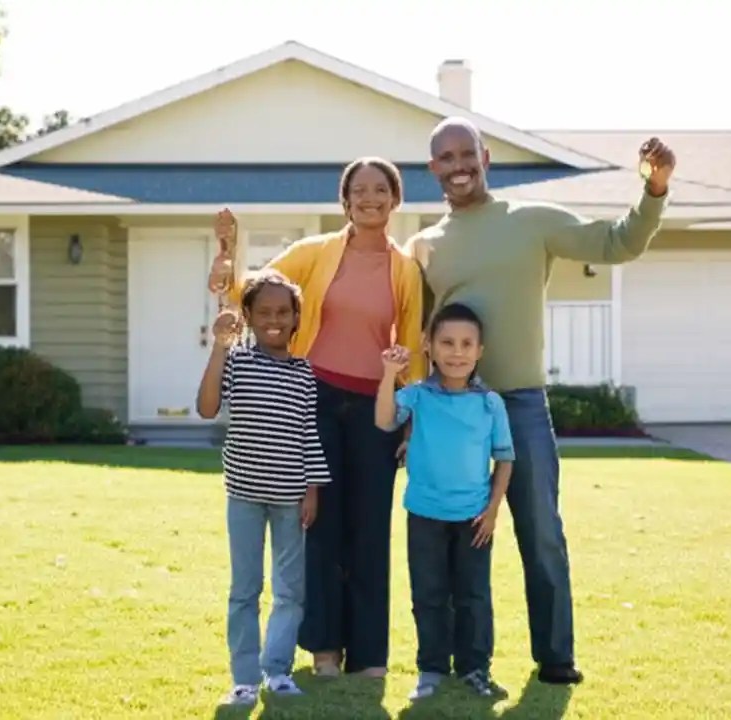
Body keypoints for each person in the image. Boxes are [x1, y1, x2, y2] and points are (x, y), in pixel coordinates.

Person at [404, 117, 677, 685]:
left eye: (467, 154)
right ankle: (451, 665)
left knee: (541, 533)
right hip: (449, 411)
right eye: (446, 158)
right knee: (450, 541)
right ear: (433, 169)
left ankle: (555, 658)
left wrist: (655, 189)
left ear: (485, 158)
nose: (458, 166)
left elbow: (617, 242)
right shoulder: (424, 246)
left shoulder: (531, 221)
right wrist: (411, 419)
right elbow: (416, 334)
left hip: (520, 405)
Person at [209, 157, 427, 678]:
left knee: (370, 530)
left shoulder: (405, 270)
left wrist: (412, 419)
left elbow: (412, 350)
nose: (369, 198)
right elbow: (253, 291)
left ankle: (369, 656)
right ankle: (324, 649)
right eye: (359, 190)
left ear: (395, 200)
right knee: (322, 526)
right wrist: (226, 263)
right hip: (317, 399)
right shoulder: (315, 251)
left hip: (376, 409)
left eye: (380, 189)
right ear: (344, 200)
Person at [195, 270, 331, 706]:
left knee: (290, 590)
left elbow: (308, 434)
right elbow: (207, 407)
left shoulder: (303, 373)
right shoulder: (237, 363)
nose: (274, 320)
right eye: (265, 312)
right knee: (245, 589)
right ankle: (244, 678)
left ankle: (277, 671)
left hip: (291, 498)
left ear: (296, 319)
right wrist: (220, 346)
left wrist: (312, 489)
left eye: (283, 312)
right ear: (249, 317)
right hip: (244, 496)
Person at [374, 302, 514, 702]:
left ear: (480, 351)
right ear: (429, 347)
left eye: (467, 344)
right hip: (424, 513)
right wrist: (389, 374)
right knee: (428, 594)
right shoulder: (417, 396)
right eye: (447, 343)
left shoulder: (490, 403)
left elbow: (505, 458)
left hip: (475, 518)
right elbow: (384, 420)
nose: (457, 352)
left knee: (474, 596)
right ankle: (431, 670)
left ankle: (475, 668)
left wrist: (492, 510)